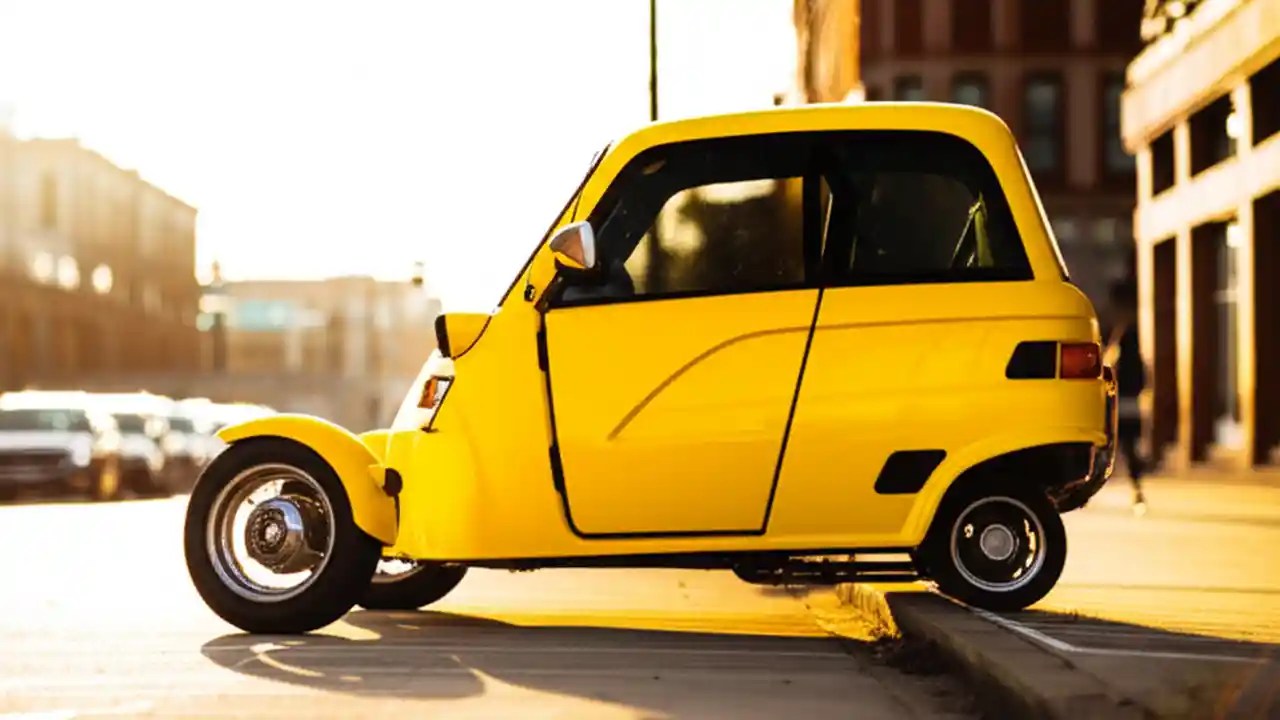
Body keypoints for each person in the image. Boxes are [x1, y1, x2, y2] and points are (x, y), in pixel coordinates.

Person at [1105, 280, 1148, 515]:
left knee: (1125, 445)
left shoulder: (1128, 335)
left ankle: (1137, 489)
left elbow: (1132, 369)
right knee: (1125, 446)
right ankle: (1137, 488)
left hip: (1125, 400)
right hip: (1125, 399)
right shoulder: (1122, 332)